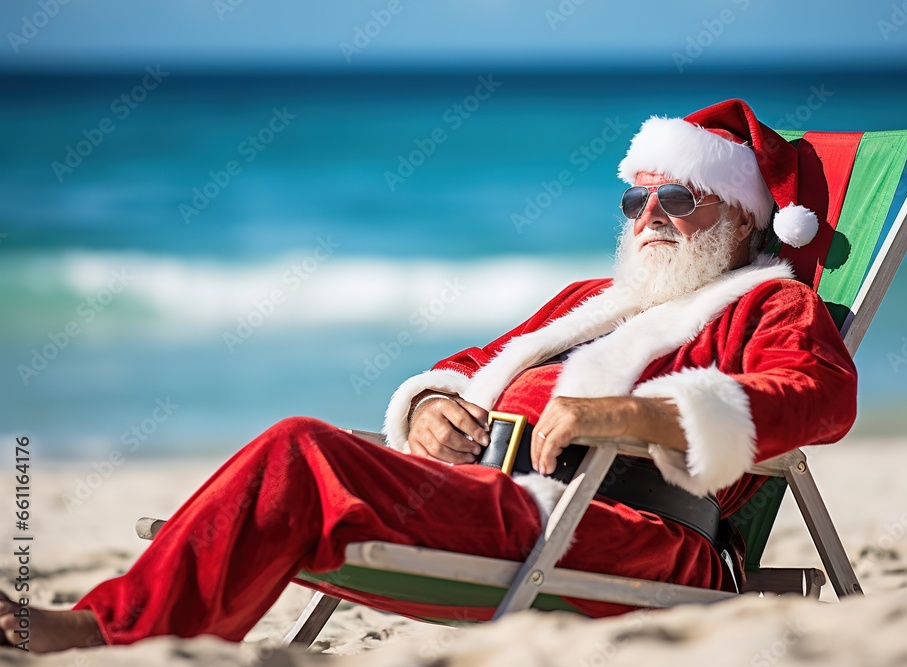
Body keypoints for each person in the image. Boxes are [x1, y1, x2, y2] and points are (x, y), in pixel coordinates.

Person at [1, 99, 857, 653]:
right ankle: (123, 620)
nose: (653, 219)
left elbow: (820, 399)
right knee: (302, 455)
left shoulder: (769, 306)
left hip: (624, 529)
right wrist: (434, 404)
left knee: (303, 453)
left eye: (682, 200)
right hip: (498, 498)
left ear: (746, 220)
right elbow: (476, 362)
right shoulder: (592, 298)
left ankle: (102, 629)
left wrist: (637, 417)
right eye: (639, 200)